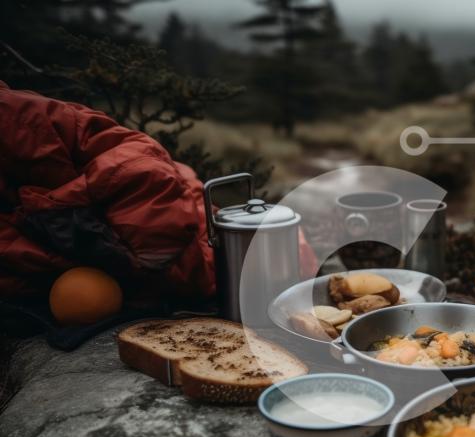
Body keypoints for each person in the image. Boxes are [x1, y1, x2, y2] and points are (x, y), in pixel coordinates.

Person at [0, 81, 317, 302]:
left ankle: (288, 264)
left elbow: (140, 172)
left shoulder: (17, 118)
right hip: (124, 259)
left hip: (159, 227)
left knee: (198, 247)